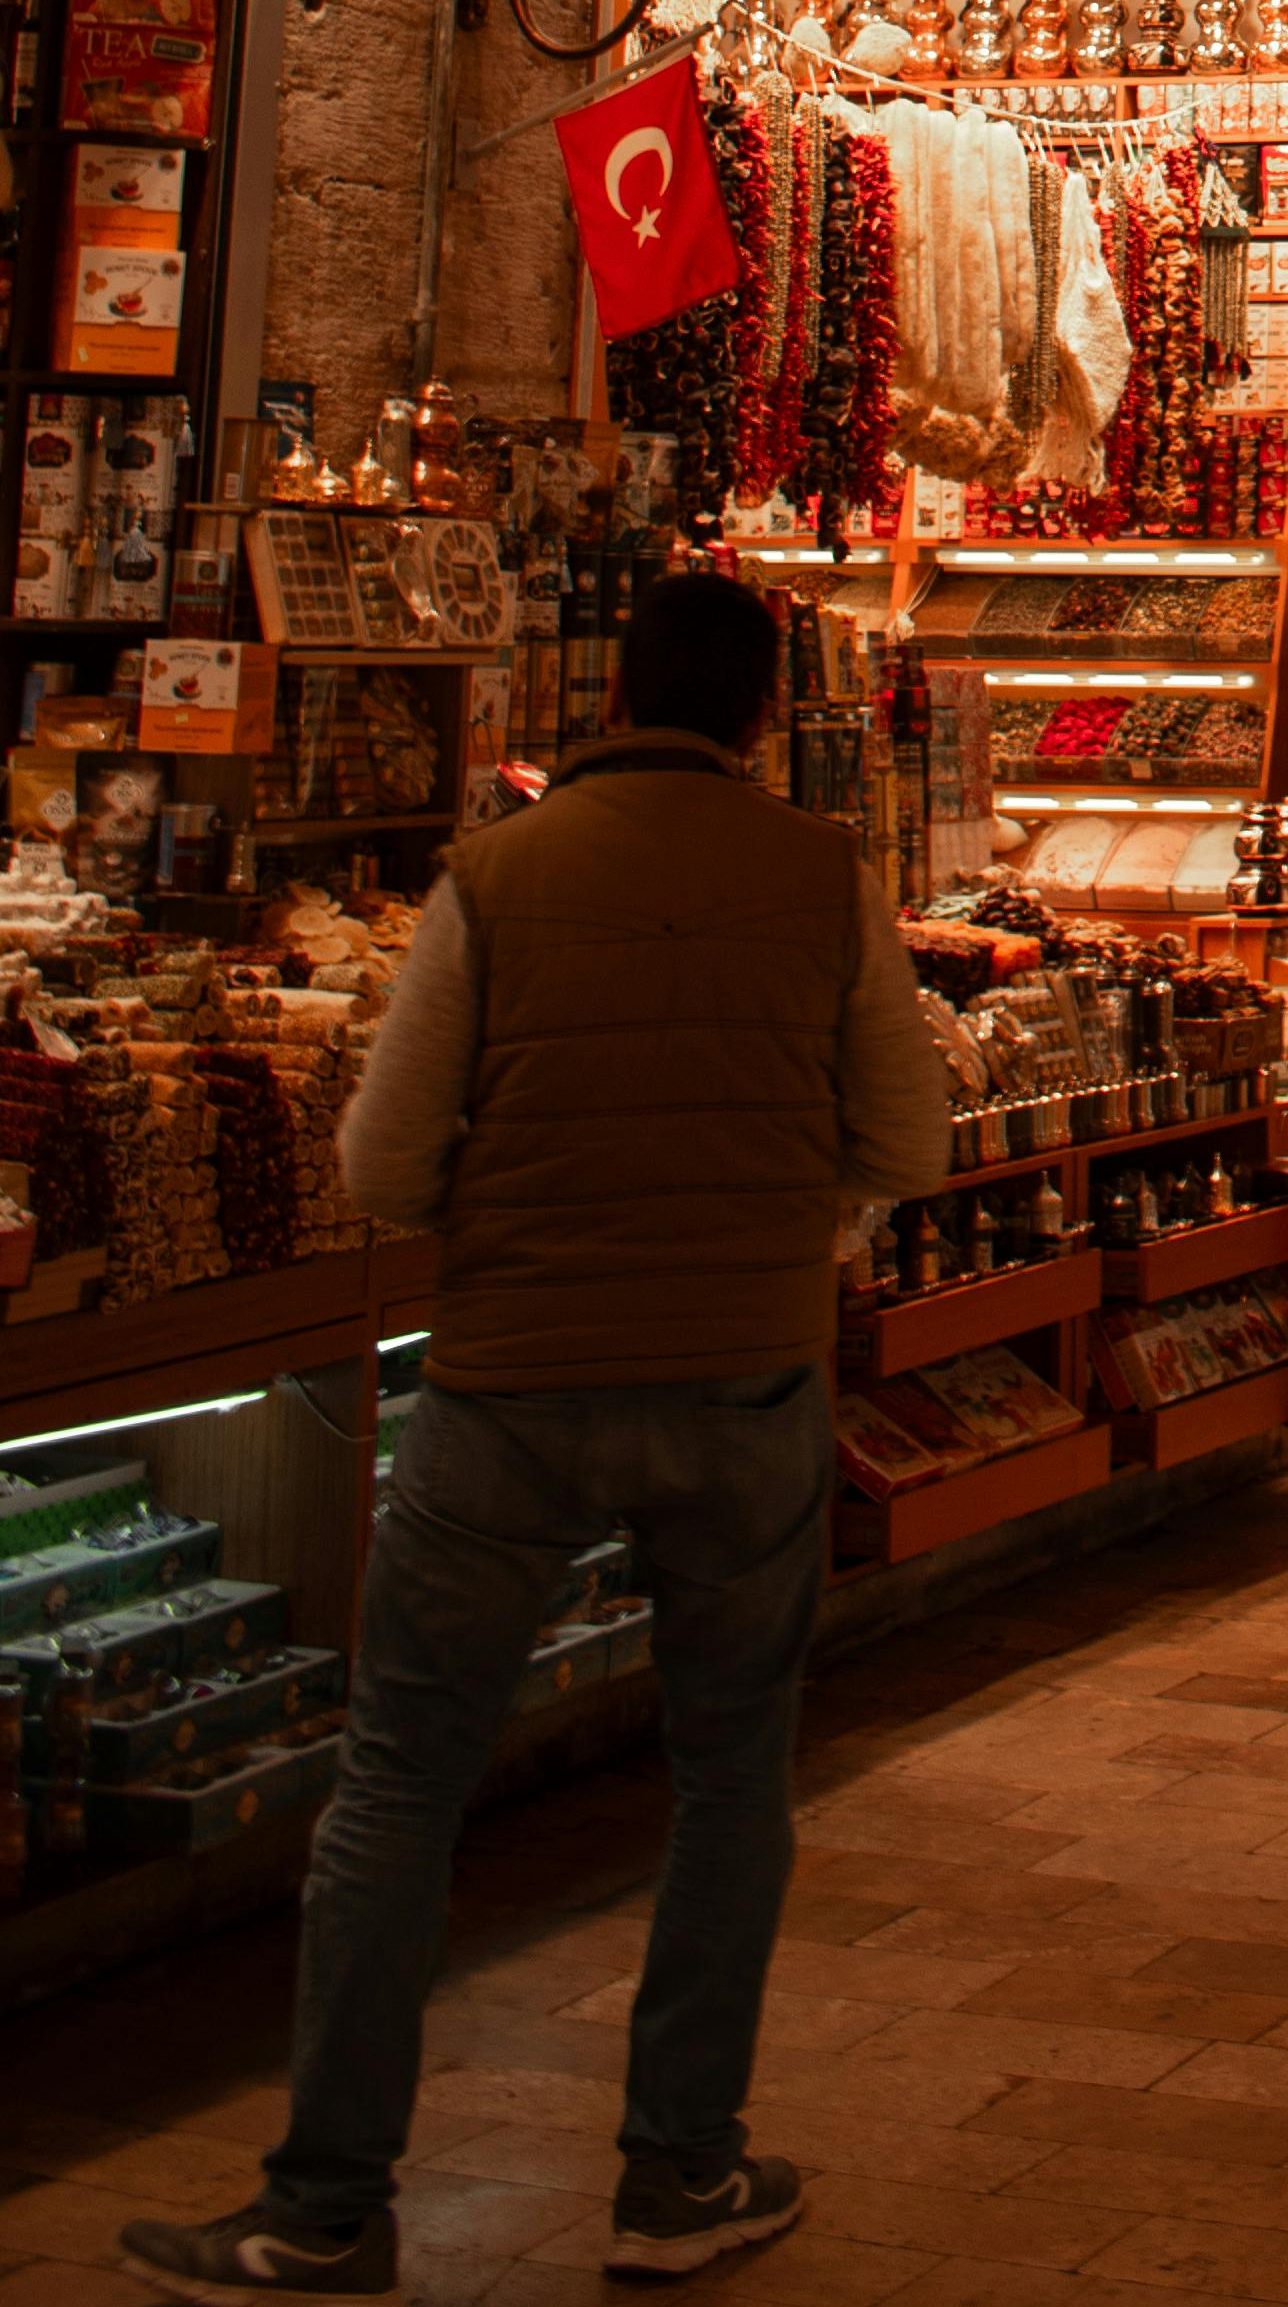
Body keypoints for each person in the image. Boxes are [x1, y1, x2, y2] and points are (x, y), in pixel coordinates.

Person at [123, 572, 950, 2302]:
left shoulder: (491, 881)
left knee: (402, 1782)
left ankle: (324, 2203)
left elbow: (379, 1164)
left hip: (509, 1387)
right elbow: (908, 1139)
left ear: (610, 698)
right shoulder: (822, 879)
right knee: (730, 1781)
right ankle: (678, 2176)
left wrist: (520, 1219)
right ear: (753, 716)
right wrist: (781, 1228)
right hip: (741, 1387)